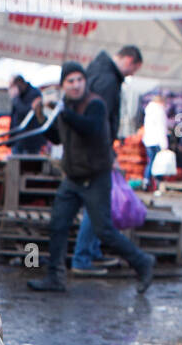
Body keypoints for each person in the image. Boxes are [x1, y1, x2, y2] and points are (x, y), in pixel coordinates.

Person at [27, 61, 154, 295]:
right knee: (57, 225)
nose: (75, 86)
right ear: (63, 85)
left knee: (104, 229)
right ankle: (55, 277)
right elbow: (56, 137)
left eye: (79, 80)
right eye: (70, 81)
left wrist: (62, 112)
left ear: (85, 82)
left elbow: (90, 129)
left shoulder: (95, 104)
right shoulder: (65, 107)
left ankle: (142, 261)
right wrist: (41, 113)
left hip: (96, 176)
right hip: (73, 176)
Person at [72, 45, 143, 275]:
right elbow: (99, 119)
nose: (131, 75)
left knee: (95, 205)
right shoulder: (108, 80)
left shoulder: (99, 71)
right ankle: (83, 258)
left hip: (87, 151)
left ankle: (90, 253)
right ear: (128, 60)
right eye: (133, 70)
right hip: (95, 153)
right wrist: (108, 154)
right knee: (96, 205)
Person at [8, 74, 47, 155]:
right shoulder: (20, 96)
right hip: (18, 139)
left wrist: (15, 98)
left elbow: (25, 111)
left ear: (19, 83)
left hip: (30, 140)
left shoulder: (34, 93)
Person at [142, 94, 168, 192]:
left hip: (148, 140)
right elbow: (161, 128)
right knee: (157, 164)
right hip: (157, 140)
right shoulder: (159, 111)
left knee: (150, 162)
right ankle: (157, 184)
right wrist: (164, 144)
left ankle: (146, 181)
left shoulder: (148, 111)